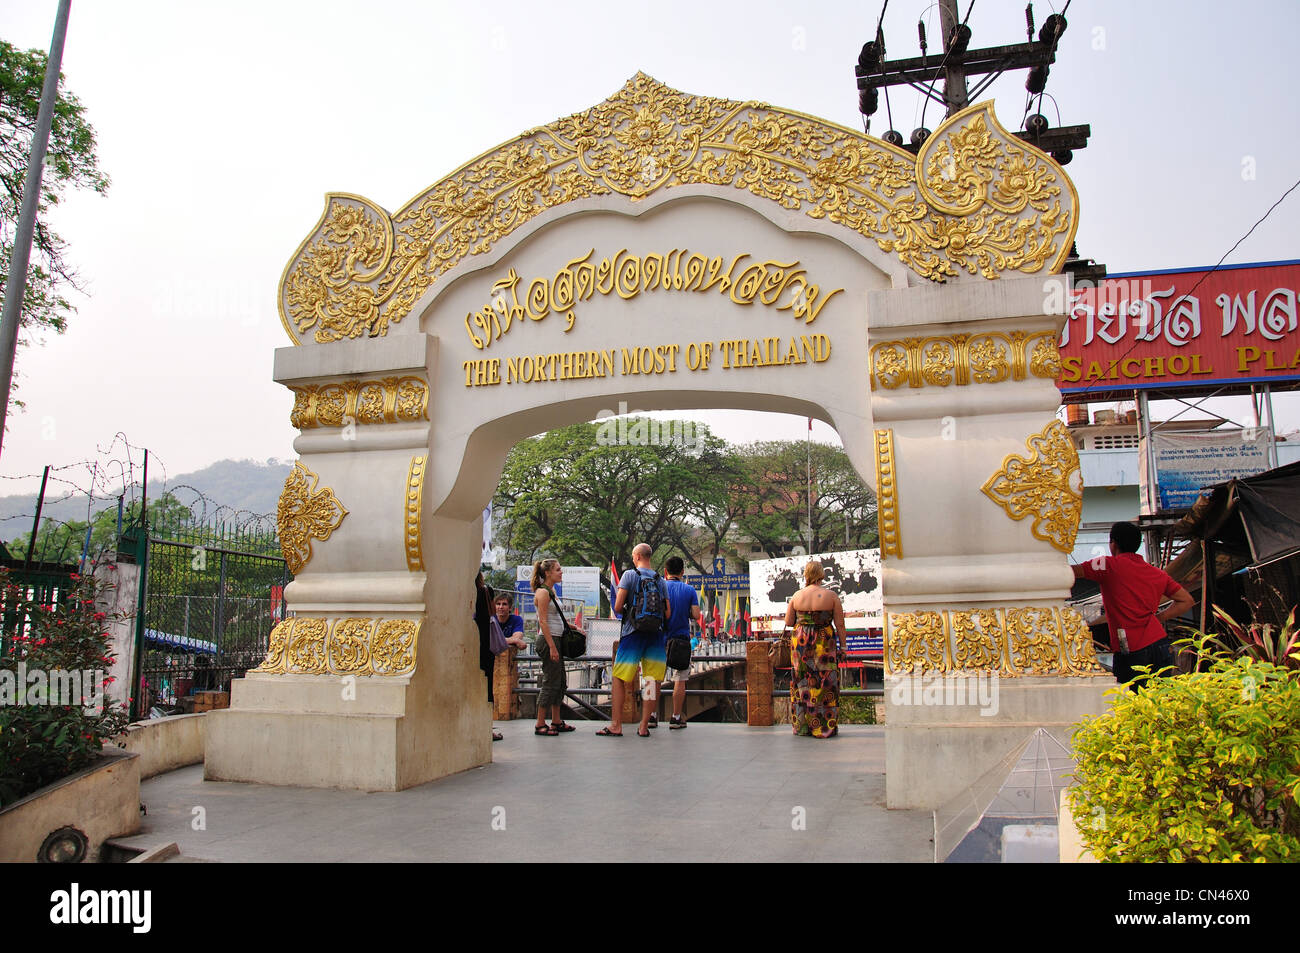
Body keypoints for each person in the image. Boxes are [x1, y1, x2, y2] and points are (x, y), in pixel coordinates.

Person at [1072, 521, 1194, 689]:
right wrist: (1159, 617)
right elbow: (1186, 600)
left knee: (1131, 702)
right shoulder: (1156, 572)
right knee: (1161, 699)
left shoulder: (1108, 565)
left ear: (1113, 544)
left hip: (1131, 649)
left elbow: (1070, 572)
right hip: (1160, 644)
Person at [599, 542, 671, 738]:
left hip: (632, 633)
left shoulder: (630, 575)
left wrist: (632, 614)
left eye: (633, 555)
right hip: (655, 635)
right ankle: (644, 725)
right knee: (651, 680)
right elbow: (668, 612)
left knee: (619, 678)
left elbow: (618, 605)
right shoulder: (660, 580)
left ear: (638, 556)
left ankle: (616, 725)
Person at [783, 559, 847, 738]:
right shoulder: (831, 596)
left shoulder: (797, 596)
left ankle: (803, 727)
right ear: (822, 574)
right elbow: (840, 625)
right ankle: (823, 727)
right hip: (823, 643)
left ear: (806, 575)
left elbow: (788, 622)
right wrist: (843, 647)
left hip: (800, 644)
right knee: (826, 682)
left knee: (802, 681)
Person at [532, 559, 578, 735]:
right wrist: (552, 646)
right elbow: (543, 621)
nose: (561, 572)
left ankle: (556, 720)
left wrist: (569, 626)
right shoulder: (543, 593)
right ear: (548, 573)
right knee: (550, 681)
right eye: (558, 570)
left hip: (557, 638)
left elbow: (555, 617)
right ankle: (540, 722)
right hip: (548, 640)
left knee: (560, 682)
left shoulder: (552, 591)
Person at [659, 555, 702, 729]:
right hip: (682, 640)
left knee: (652, 678)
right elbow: (697, 614)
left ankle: (651, 715)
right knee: (680, 679)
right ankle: (676, 717)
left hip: (659, 639)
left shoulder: (659, 587)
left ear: (665, 571)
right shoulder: (689, 590)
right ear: (683, 572)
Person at [473, 573, 503, 742]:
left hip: (469, 641)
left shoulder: (463, 590)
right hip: (485, 643)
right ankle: (486, 727)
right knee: (487, 685)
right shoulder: (485, 591)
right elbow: (492, 613)